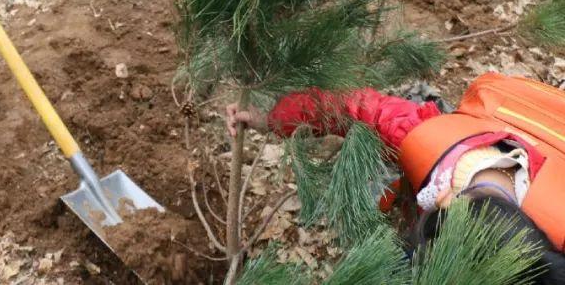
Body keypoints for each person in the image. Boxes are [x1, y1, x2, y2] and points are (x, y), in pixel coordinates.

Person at [226, 72, 565, 281]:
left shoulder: (548, 244)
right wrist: (271, 119)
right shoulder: (421, 136)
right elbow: (351, 107)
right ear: (441, 199)